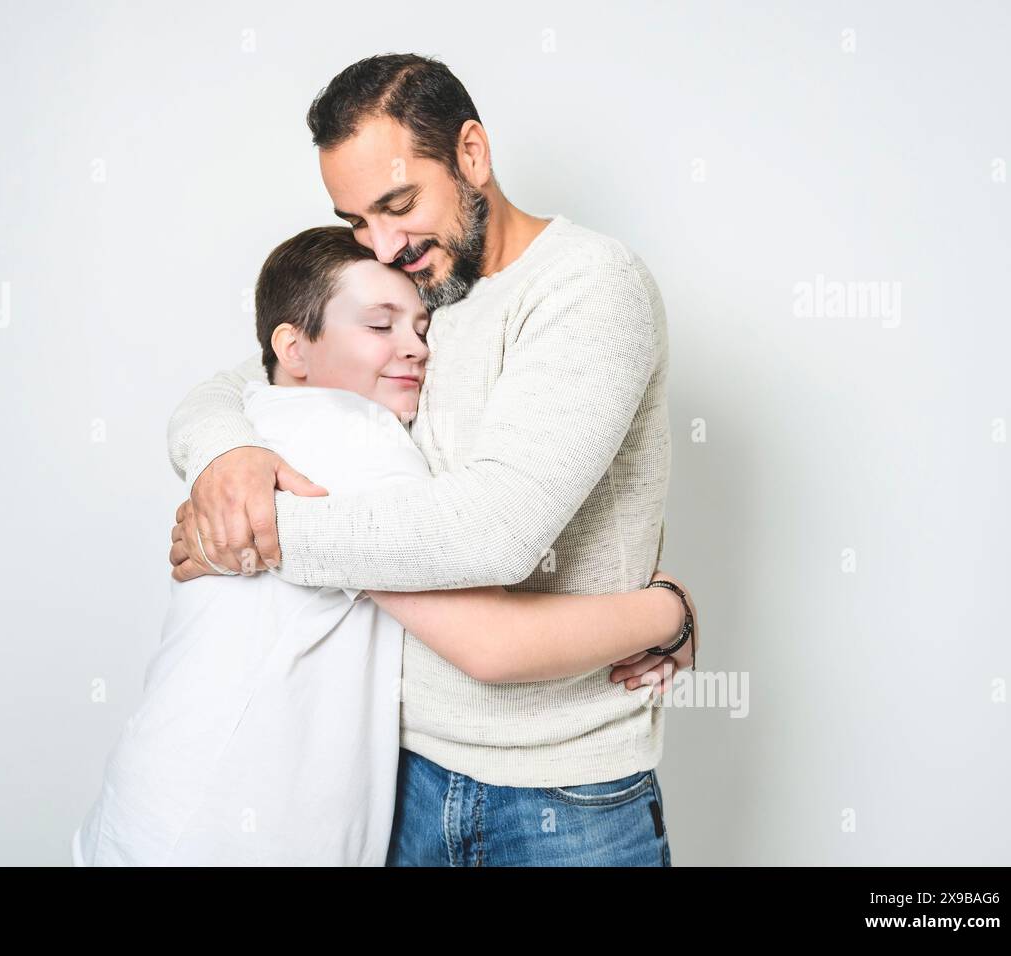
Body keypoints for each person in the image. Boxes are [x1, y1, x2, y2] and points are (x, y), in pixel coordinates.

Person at [167, 54, 686, 867]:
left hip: (562, 797)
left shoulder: (587, 285)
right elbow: (243, 379)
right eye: (356, 219)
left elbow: (493, 532)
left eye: (398, 204)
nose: (382, 243)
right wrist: (223, 457)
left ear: (472, 154)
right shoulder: (420, 289)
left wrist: (262, 535)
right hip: (397, 772)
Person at [76, 226, 693, 866]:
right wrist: (670, 611)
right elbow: (491, 642)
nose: (416, 348)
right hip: (226, 835)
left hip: (157, 804)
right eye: (380, 326)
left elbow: (230, 381)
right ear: (293, 348)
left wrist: (260, 521)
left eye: (424, 330)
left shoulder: (265, 414)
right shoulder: (360, 438)